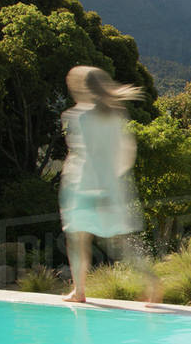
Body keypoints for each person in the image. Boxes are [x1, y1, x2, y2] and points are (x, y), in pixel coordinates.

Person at [59, 65, 161, 305]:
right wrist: (112, 183)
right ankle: (152, 282)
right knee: (120, 242)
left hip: (84, 186)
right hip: (112, 186)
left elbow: (85, 155)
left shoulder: (78, 116)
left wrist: (93, 188)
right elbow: (127, 153)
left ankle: (79, 290)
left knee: (77, 238)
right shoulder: (115, 114)